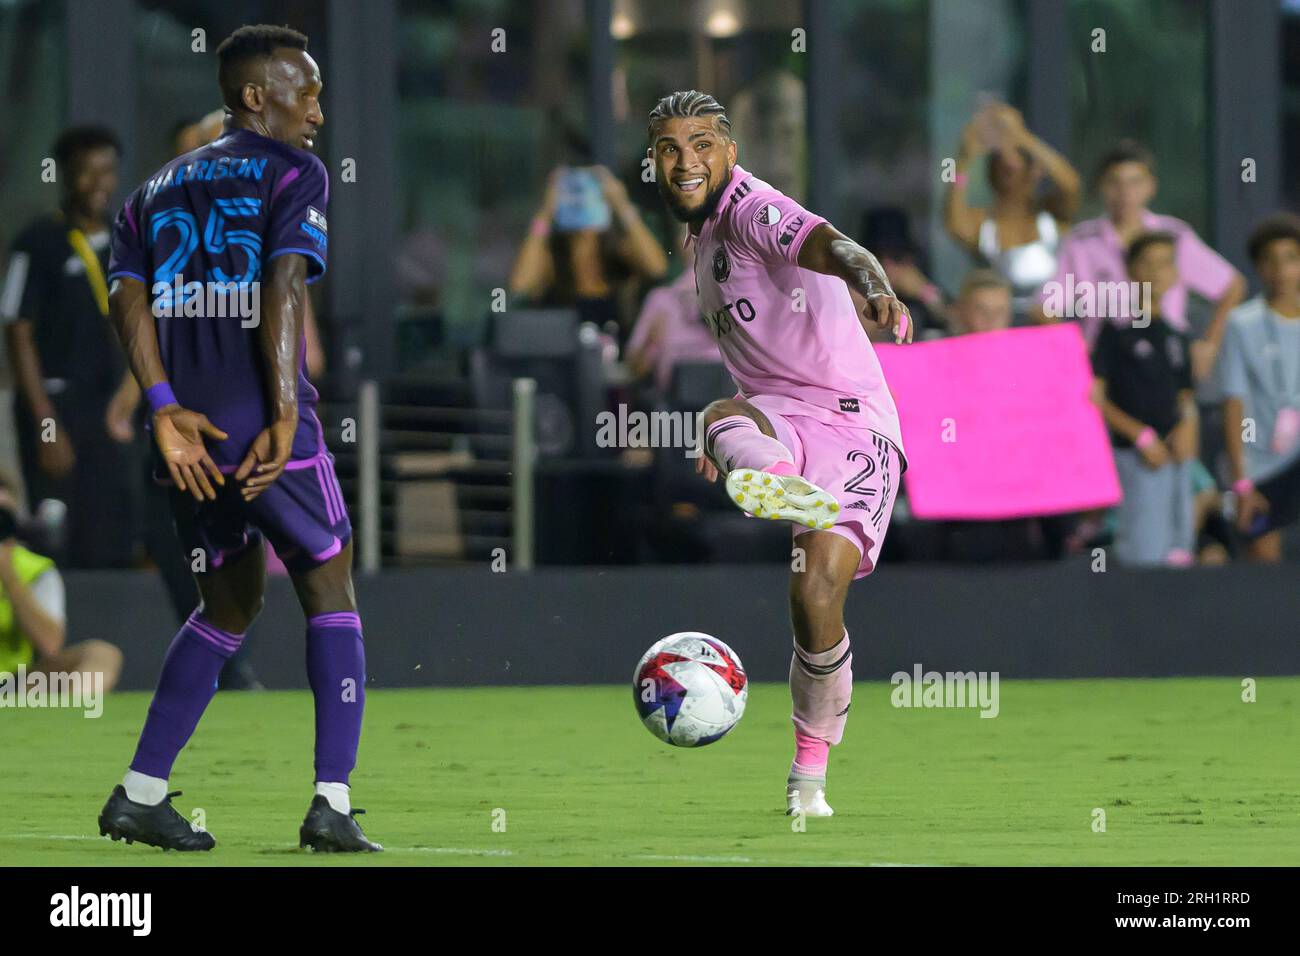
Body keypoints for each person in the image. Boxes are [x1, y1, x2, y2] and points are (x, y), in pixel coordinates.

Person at [96, 24, 379, 853]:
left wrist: (159, 405)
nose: (319, 111)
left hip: (188, 441)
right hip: (263, 429)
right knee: (328, 582)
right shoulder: (296, 172)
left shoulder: (151, 189)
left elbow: (127, 302)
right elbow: (286, 284)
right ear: (257, 96)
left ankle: (141, 793)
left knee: (229, 602)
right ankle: (331, 801)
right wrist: (287, 412)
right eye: (308, 90)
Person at [647, 90, 911, 817]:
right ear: (654, 163)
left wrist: (874, 281)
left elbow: (830, 244)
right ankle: (769, 477)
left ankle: (809, 772)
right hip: (778, 414)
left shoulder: (748, 208)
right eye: (669, 148)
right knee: (716, 413)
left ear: (729, 152)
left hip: (854, 425)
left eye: (702, 143)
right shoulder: (696, 242)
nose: (686, 160)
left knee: (814, 596)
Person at [1, 126, 141, 568]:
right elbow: (17, 328)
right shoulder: (37, 242)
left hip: (109, 412)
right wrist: (45, 423)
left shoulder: (127, 240)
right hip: (57, 407)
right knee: (57, 537)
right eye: (86, 173)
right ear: (64, 175)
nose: (98, 183)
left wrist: (131, 396)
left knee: (111, 535)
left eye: (107, 172)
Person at [1037, 140, 1245, 378]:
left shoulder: (1174, 237)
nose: (1125, 193)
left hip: (1165, 364)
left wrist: (1209, 345)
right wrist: (1072, 354)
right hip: (1105, 366)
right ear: (1101, 187)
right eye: (1114, 182)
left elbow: (1232, 285)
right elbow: (1045, 306)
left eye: (1135, 182)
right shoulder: (1082, 242)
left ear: (1151, 186)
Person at [1092, 232, 1198, 566]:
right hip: (1135, 457)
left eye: (1166, 263)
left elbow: (1184, 392)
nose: (1157, 272)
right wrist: (1140, 435)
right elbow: (1095, 397)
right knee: (1144, 553)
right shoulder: (1114, 330)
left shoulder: (1176, 333)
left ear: (1177, 273)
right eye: (1147, 263)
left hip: (1177, 456)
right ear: (1130, 270)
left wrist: (1188, 426)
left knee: (1180, 549)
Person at [945, 100, 1079, 318]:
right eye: (1004, 170)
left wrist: (1022, 136)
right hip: (1000, 329)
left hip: (1051, 328)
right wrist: (962, 157)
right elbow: (952, 220)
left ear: (1033, 173)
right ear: (992, 175)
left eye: (1017, 169)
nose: (1010, 172)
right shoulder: (982, 224)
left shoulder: (1051, 217)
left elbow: (1070, 183)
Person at [1218, 213, 1300, 563]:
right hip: (1262, 467)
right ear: (1257, 267)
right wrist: (1242, 483)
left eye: (1291, 259)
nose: (1281, 271)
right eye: (1270, 261)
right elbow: (1234, 402)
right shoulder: (1241, 323)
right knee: (1264, 563)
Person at [509, 161, 668, 336]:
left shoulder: (619, 252)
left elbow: (657, 269)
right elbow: (520, 286)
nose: (580, 200)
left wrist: (622, 206)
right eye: (572, 192)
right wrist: (545, 213)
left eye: (589, 192)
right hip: (562, 360)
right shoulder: (552, 260)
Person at [0, 471, 122, 689]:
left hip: (13, 684)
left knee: (101, 653)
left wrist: (9, 576)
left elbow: (50, 645)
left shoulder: (35, 568)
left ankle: (74, 710)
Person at [950, 269, 1014, 336]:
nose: (991, 319)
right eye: (982, 310)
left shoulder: (1021, 345)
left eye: (999, 312)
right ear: (962, 312)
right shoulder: (942, 344)